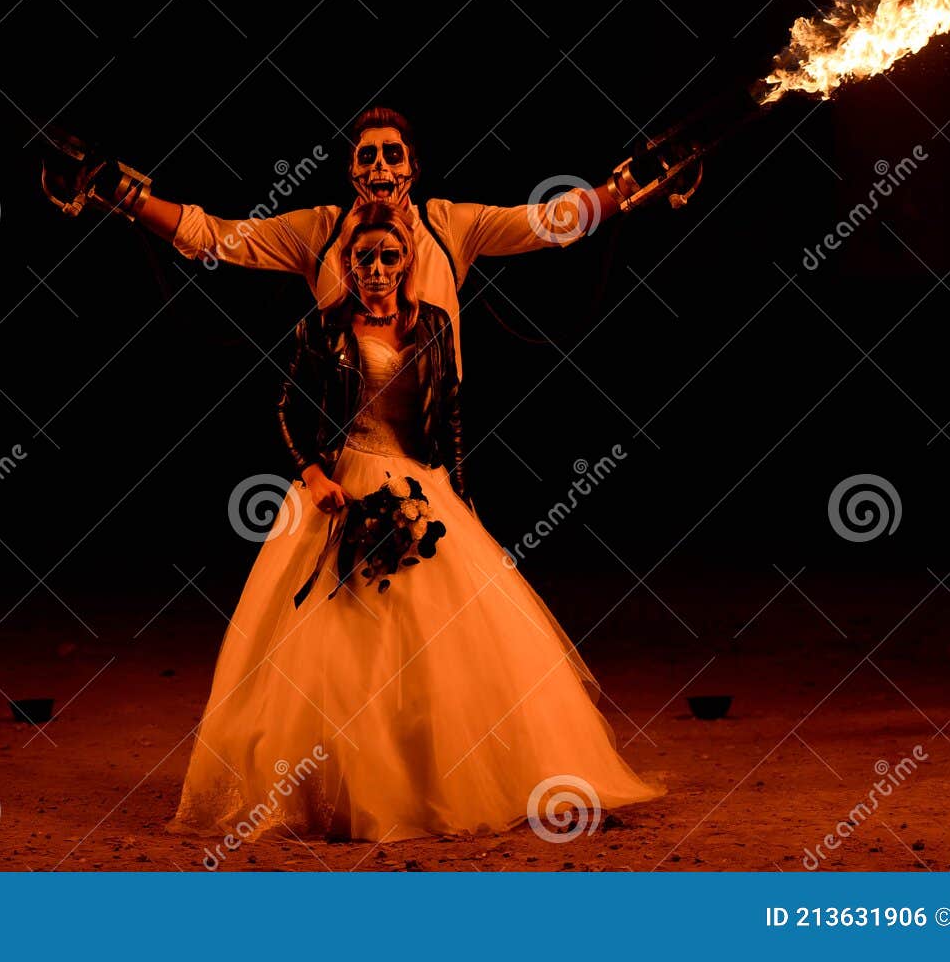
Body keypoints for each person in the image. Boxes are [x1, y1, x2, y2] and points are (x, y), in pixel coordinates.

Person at [168, 200, 664, 844]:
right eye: (362, 258)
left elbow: (451, 415)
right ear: (347, 265)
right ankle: (341, 785)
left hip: (419, 485)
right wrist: (315, 475)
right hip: (345, 482)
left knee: (457, 643)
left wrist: (459, 496)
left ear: (405, 263)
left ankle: (443, 777)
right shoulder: (322, 328)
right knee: (339, 643)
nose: (375, 268)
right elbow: (289, 410)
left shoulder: (431, 324)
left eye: (388, 256)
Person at [41, 105, 645, 380]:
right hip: (340, 429)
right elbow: (217, 237)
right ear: (352, 169)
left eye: (393, 153)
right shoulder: (320, 229)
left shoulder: (450, 224)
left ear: (413, 165)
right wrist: (123, 193)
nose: (381, 166)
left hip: (432, 430)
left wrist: (629, 185)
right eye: (368, 154)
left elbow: (550, 221)